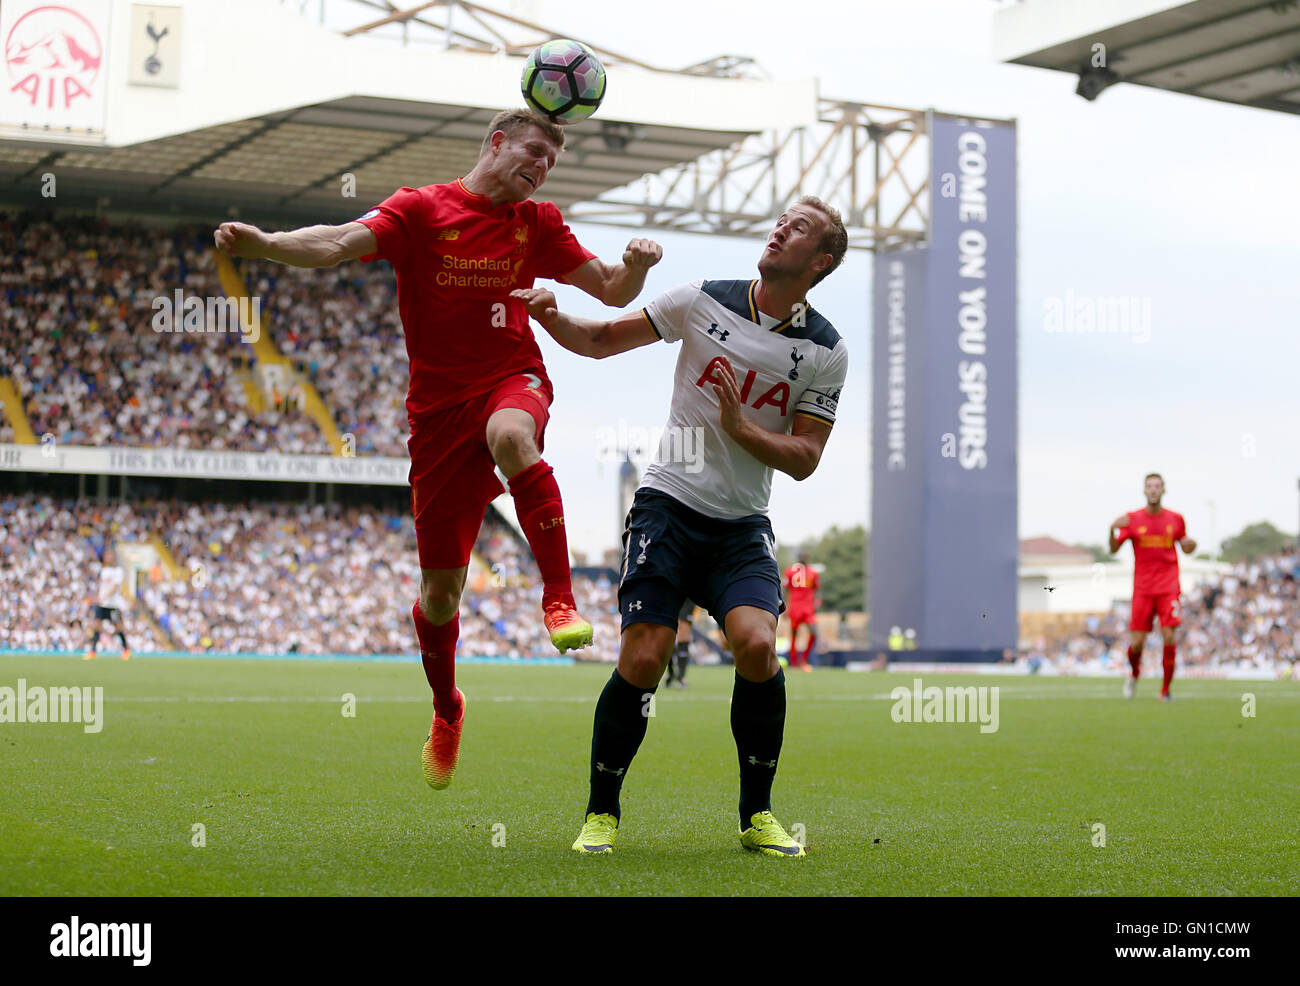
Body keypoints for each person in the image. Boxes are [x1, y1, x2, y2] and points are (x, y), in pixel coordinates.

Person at [214, 108, 663, 790]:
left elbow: (608, 288)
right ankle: (448, 708)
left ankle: (560, 600)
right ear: (497, 142)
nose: (540, 166)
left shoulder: (537, 221)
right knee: (440, 596)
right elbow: (337, 242)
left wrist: (633, 267)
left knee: (512, 435)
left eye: (550, 160)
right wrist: (266, 245)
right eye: (533, 151)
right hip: (435, 419)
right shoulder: (422, 211)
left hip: (513, 380)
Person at [513, 195, 849, 858]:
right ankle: (602, 811)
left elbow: (807, 460)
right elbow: (603, 340)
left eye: (800, 227)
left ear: (822, 261)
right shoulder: (702, 298)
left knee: (756, 646)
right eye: (781, 217)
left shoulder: (826, 351)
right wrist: (554, 319)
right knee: (644, 656)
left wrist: (742, 430)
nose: (781, 226)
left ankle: (757, 815)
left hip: (740, 524)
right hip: (668, 504)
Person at [1109, 473, 1197, 701]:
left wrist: (1192, 545)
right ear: (1145, 490)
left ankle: (1165, 691)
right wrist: (1112, 529)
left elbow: (1186, 546)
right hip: (1143, 588)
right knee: (1137, 642)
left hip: (1168, 587)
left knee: (1169, 636)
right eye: (1150, 486)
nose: (1154, 490)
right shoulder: (1132, 519)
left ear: (1163, 490)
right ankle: (1134, 673)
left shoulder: (1176, 518)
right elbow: (1113, 549)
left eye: (1157, 486)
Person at [85, 547, 131, 661]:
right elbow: (101, 587)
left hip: (113, 604)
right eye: (106, 555)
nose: (107, 557)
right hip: (102, 604)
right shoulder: (104, 571)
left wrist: (103, 597)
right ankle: (93, 651)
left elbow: (115, 587)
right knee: (96, 625)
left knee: (118, 626)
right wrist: (98, 597)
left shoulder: (118, 571)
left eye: (109, 555)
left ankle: (126, 649)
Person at [782, 551, 820, 670]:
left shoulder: (813, 572)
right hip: (795, 607)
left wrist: (817, 603)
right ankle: (794, 663)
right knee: (794, 634)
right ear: (798, 558)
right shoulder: (789, 571)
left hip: (808, 608)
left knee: (814, 632)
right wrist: (784, 607)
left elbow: (817, 589)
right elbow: (785, 589)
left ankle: (803, 660)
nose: (803, 558)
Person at [663, 599, 694, 688]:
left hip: (686, 599)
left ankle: (679, 677)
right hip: (673, 597)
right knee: (671, 637)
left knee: (682, 637)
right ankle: (672, 675)